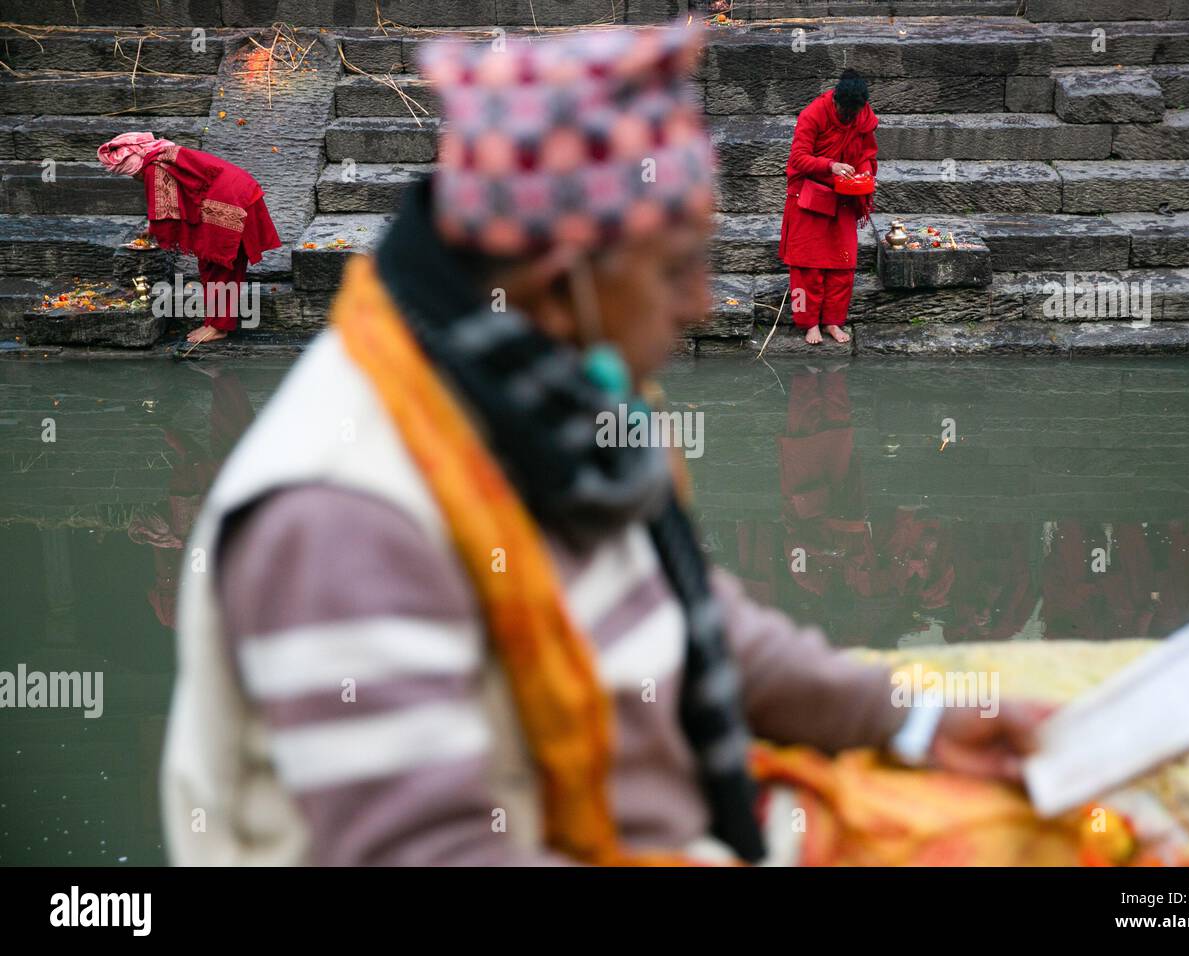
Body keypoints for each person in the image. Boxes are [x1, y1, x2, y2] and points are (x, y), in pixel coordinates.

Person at [162, 23, 1054, 867]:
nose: (701, 304)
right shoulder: (340, 517)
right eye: (674, 270)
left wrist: (913, 721)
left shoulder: (547, 387)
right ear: (561, 287)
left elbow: (684, 618)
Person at [97, 132, 280, 345]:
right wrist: (152, 228)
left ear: (135, 167)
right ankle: (215, 322)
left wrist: (156, 231)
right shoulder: (159, 154)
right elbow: (177, 198)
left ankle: (218, 327)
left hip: (231, 203)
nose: (134, 179)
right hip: (237, 194)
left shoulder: (152, 168)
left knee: (220, 266)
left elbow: (165, 213)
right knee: (211, 265)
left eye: (131, 175)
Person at [778, 68, 879, 346]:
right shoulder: (813, 113)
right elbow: (798, 158)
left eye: (853, 114)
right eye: (844, 113)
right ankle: (808, 324)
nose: (849, 119)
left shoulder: (862, 115)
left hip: (844, 197)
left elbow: (867, 153)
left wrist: (865, 175)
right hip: (809, 198)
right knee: (805, 267)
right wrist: (831, 165)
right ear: (835, 100)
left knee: (842, 267)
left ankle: (833, 322)